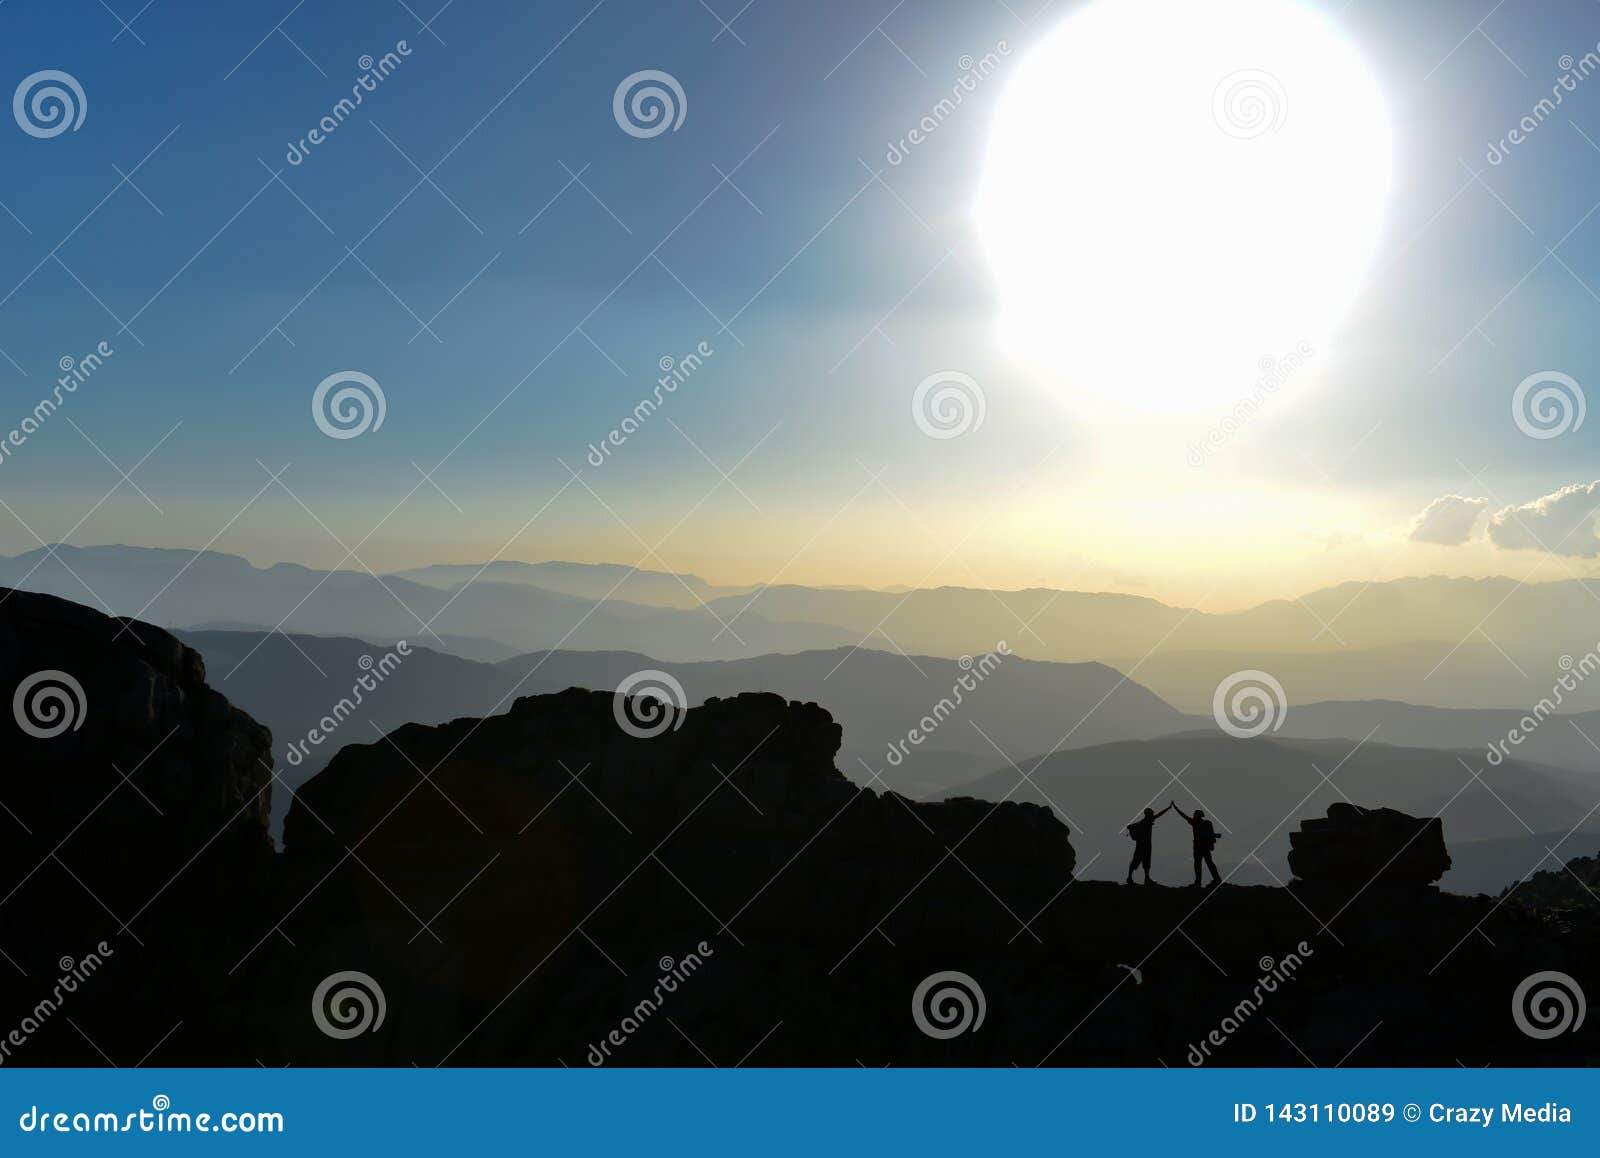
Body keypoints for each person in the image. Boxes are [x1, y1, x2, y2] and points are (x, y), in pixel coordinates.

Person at [1172, 801, 1222, 887]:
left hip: (1200, 847)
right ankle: (1214, 879)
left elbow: (1184, 816)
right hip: (1203, 846)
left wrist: (1176, 808)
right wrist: (1212, 843)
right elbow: (1212, 834)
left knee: (1201, 864)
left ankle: (1202, 881)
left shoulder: (1197, 822)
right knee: (1205, 863)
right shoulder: (1205, 823)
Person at [1125, 803, 1173, 885]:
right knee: (1138, 861)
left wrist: (1168, 808)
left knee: (1145, 862)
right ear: (1148, 814)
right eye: (1151, 813)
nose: (1153, 815)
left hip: (1144, 845)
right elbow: (1159, 814)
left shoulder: (1142, 822)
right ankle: (1133, 878)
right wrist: (1168, 808)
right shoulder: (1146, 821)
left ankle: (1143, 878)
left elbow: (1130, 826)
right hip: (1143, 846)